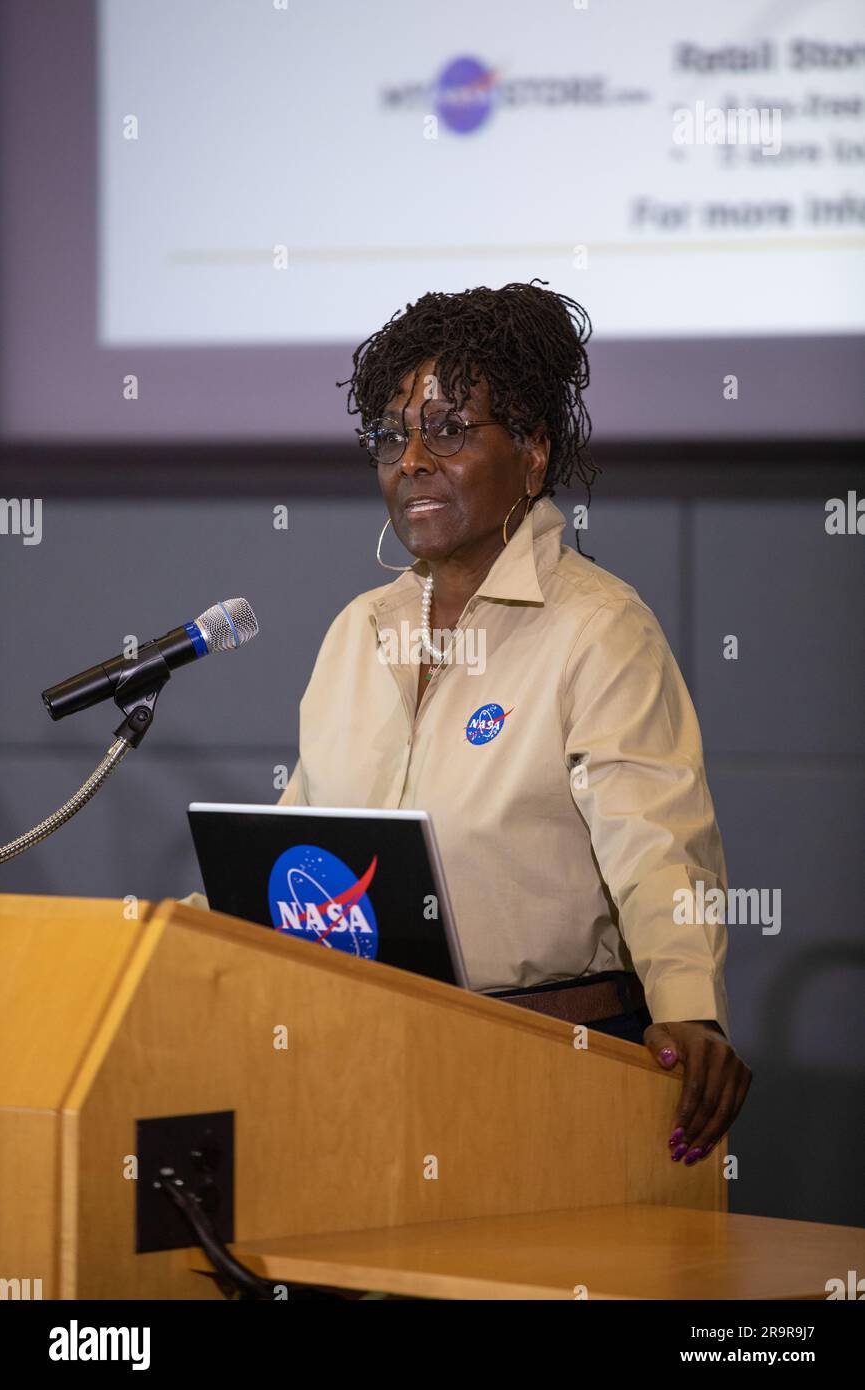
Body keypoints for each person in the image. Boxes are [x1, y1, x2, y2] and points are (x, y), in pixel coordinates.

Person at [186, 280, 751, 1167]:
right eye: (389, 436)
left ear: (531, 452)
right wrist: (167, 935)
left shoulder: (597, 628)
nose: (409, 459)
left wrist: (691, 1006)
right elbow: (296, 852)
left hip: (548, 1070)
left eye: (447, 430)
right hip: (360, 1066)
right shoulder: (358, 632)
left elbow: (657, 841)